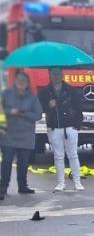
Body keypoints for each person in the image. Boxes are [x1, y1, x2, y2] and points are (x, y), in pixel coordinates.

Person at [37, 67, 84, 192]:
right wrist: (48, 106)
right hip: (54, 127)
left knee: (73, 155)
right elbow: (39, 109)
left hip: (70, 127)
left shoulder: (71, 90)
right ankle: (60, 183)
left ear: (62, 75)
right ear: (50, 75)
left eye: (58, 74)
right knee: (58, 156)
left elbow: (79, 108)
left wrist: (77, 126)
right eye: (53, 74)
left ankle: (77, 182)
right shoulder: (44, 92)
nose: (56, 76)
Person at [1, 71, 43, 199]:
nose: (20, 83)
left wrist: (23, 113)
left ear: (27, 84)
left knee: (23, 163)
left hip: (26, 137)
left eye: (23, 81)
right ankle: (2, 188)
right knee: (7, 162)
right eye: (18, 80)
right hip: (8, 136)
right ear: (14, 81)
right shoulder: (6, 94)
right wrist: (10, 112)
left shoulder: (33, 97)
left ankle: (23, 186)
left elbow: (38, 115)